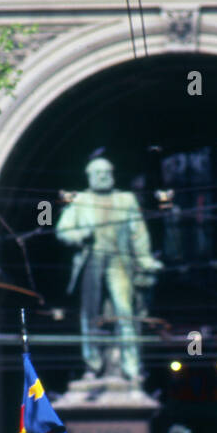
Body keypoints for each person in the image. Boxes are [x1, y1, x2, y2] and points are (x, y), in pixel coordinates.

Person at [55, 155, 162, 382]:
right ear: (90, 177)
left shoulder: (126, 200)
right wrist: (80, 235)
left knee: (125, 312)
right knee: (90, 316)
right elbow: (62, 231)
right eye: (98, 173)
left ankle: (131, 367)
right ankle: (93, 364)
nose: (103, 177)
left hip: (119, 262)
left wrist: (145, 260)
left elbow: (138, 233)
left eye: (107, 172)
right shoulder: (80, 200)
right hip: (91, 261)